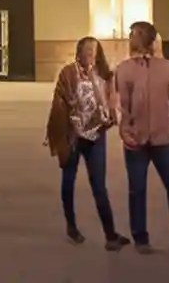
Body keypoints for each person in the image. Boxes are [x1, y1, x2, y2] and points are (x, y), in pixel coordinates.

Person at [114, 21, 169, 263]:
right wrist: (124, 129)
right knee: (137, 189)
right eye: (131, 34)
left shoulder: (168, 69)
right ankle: (140, 237)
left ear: (148, 38)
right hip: (136, 141)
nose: (131, 37)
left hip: (163, 139)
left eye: (135, 34)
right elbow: (124, 105)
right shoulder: (124, 69)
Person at [44, 36, 130, 250]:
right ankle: (71, 226)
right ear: (78, 53)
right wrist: (62, 134)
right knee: (69, 182)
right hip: (73, 137)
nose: (91, 55)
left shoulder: (103, 75)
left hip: (96, 137)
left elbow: (112, 102)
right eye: (87, 51)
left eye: (94, 51)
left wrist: (111, 115)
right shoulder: (68, 73)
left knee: (99, 186)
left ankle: (111, 235)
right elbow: (59, 104)